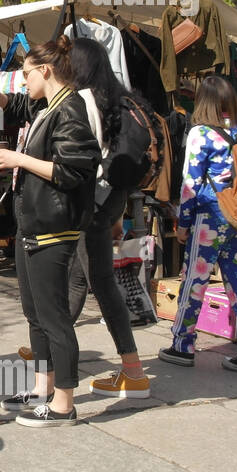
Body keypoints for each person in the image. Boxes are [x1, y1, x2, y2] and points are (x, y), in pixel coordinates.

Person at [0, 36, 100, 427]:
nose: (23, 82)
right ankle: (43, 387)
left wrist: (18, 159)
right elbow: (23, 104)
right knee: (35, 313)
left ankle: (64, 404)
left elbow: (74, 171)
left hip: (54, 228)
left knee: (53, 316)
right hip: (35, 224)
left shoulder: (70, 109)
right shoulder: (50, 106)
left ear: (46, 70)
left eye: (26, 74)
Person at [159, 75, 237, 374]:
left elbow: (191, 183)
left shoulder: (201, 134)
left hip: (209, 216)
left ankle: (182, 344)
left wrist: (182, 222)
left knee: (195, 280)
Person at [66, 39, 150, 398]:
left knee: (101, 284)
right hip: (111, 201)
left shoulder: (88, 102)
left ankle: (133, 370)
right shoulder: (119, 98)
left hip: (96, 206)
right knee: (78, 277)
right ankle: (47, 343)